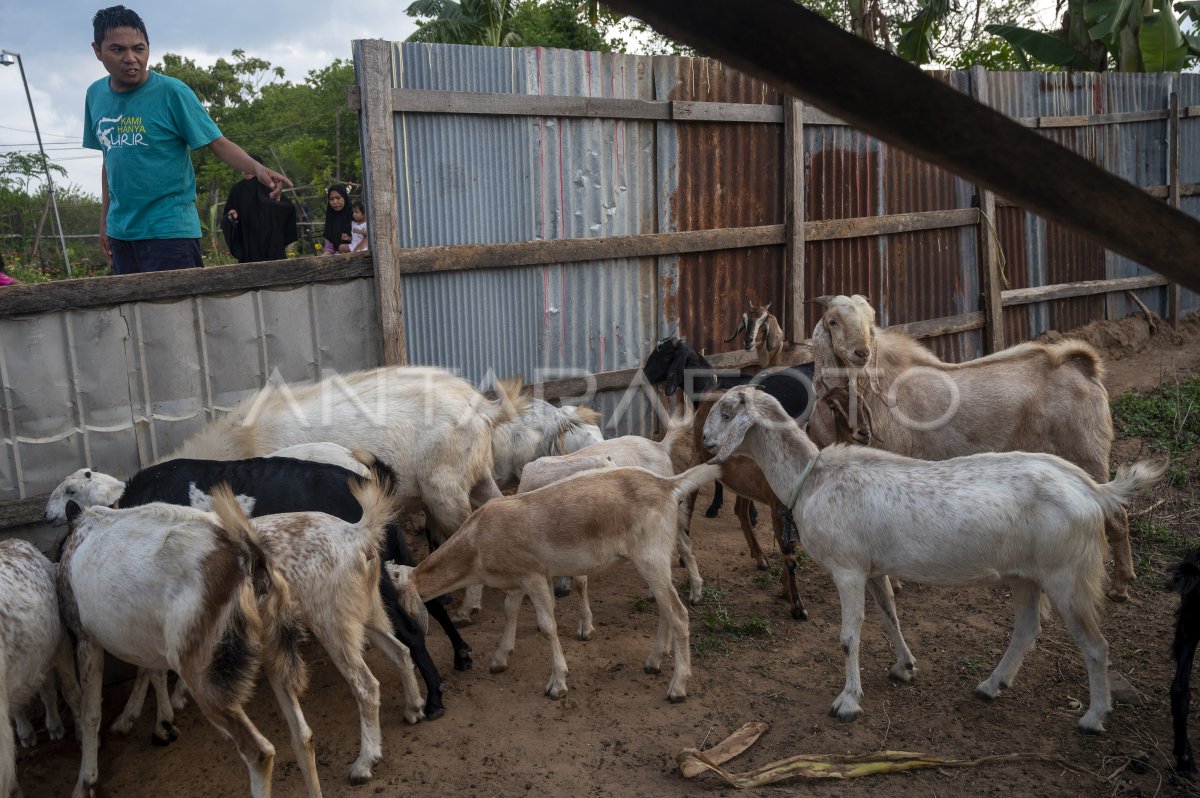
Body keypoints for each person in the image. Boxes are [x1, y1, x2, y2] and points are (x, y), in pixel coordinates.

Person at [83, 5, 293, 275]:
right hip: (122, 235)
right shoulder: (95, 95)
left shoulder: (172, 93)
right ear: (97, 51)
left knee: (179, 304)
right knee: (132, 305)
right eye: (118, 50)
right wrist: (105, 223)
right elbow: (109, 160)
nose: (131, 58)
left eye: (139, 48)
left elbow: (217, 143)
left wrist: (257, 168)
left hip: (169, 234)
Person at [221, 155, 298, 263]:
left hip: (270, 239)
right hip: (248, 239)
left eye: (249, 168)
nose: (246, 171)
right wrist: (231, 216)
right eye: (244, 167)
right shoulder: (237, 189)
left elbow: (286, 207)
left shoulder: (268, 186)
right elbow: (228, 214)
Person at [321, 184, 354, 255]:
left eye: (338, 198)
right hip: (336, 257)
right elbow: (329, 248)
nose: (335, 202)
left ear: (344, 197)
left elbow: (360, 241)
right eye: (331, 199)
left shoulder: (355, 217)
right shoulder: (330, 219)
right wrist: (323, 257)